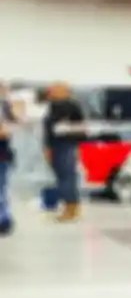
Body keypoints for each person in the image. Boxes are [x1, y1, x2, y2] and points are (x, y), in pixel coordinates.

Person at [42, 82, 88, 222]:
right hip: (57, 145)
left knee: (67, 177)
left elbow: (78, 128)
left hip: (65, 145)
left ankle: (71, 207)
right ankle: (69, 206)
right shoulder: (53, 106)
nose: (51, 91)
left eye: (56, 89)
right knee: (63, 176)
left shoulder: (68, 106)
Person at [0, 82, 17, 235]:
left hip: (3, 154)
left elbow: (14, 123)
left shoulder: (5, 106)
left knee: (2, 188)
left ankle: (4, 220)